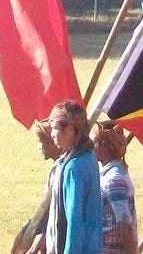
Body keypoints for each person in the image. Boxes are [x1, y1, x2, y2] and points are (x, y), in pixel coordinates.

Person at [44, 100, 102, 254]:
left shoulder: (73, 168)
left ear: (69, 129)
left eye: (55, 128)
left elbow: (74, 222)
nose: (51, 134)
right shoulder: (89, 156)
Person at [14, 121, 63, 254]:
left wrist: (31, 241)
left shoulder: (60, 170)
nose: (39, 146)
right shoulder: (56, 168)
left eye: (41, 141)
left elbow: (46, 212)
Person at [92, 122, 137, 254]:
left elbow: (125, 225)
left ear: (104, 145)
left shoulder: (114, 180)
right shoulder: (110, 175)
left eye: (93, 143)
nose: (91, 148)